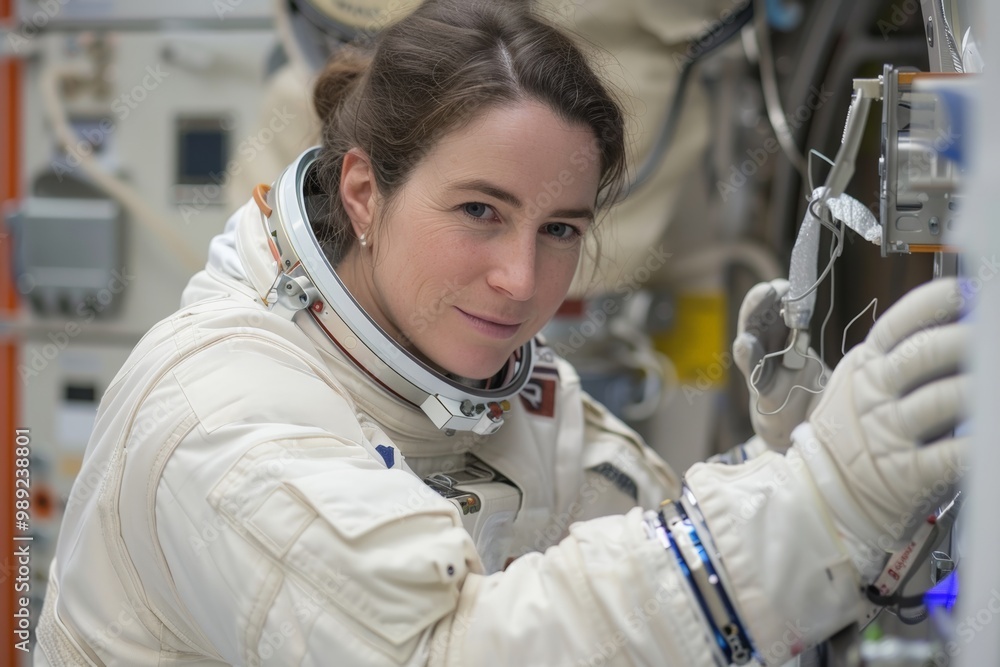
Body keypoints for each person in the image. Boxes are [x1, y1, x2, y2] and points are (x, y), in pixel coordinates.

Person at [35, 1, 969, 665]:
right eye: (480, 210)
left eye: (560, 229)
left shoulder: (502, 392)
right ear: (364, 192)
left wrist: (813, 464)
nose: (522, 280)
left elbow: (668, 569)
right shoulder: (221, 419)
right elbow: (450, 647)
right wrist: (819, 503)